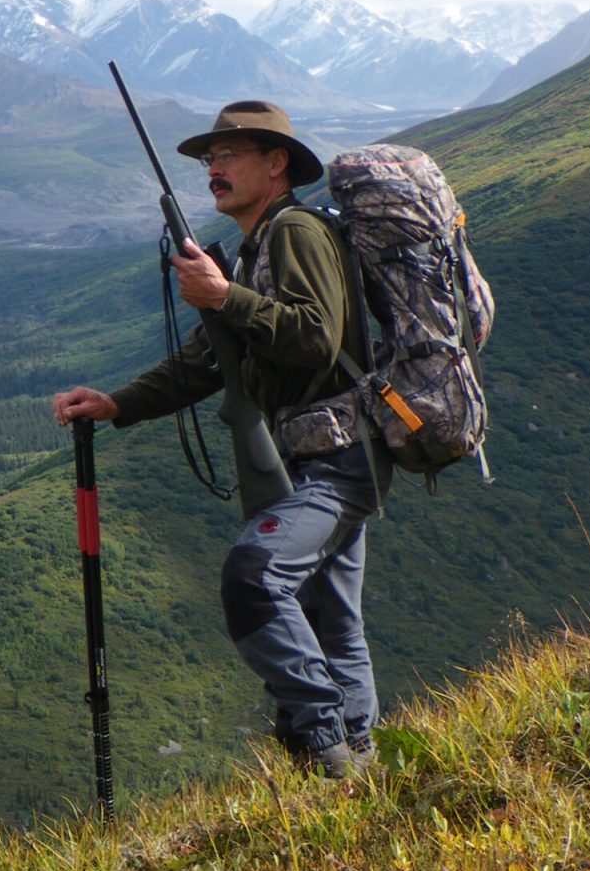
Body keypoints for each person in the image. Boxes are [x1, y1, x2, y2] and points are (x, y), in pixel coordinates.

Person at [52, 100, 386, 779]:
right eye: (210, 158)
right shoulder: (262, 244)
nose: (214, 168)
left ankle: (327, 755)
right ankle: (361, 773)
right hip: (326, 457)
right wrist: (118, 404)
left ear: (276, 163)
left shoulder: (294, 233)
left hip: (336, 457)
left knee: (254, 578)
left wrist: (224, 297)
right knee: (330, 619)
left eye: (229, 155)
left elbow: (315, 339)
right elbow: (212, 361)